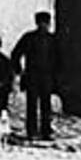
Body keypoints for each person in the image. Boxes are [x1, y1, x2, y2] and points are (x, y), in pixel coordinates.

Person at [11, 11, 62, 141]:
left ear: (49, 24)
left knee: (46, 105)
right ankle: (31, 132)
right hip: (32, 76)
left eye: (46, 23)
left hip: (47, 77)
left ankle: (46, 132)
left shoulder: (53, 39)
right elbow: (16, 53)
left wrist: (56, 77)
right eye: (41, 23)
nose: (43, 26)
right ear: (37, 23)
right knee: (31, 105)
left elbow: (60, 59)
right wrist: (19, 70)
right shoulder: (28, 37)